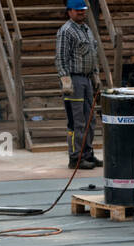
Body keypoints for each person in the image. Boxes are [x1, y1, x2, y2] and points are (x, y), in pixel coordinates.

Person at [57, 0, 101, 169]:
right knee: (77, 121)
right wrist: (65, 80)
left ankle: (88, 154)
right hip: (74, 80)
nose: (82, 13)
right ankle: (75, 157)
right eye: (78, 10)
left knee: (90, 120)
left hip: (87, 80)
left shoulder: (87, 30)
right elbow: (61, 58)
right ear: (69, 12)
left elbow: (94, 54)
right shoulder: (66, 31)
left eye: (83, 10)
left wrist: (95, 75)